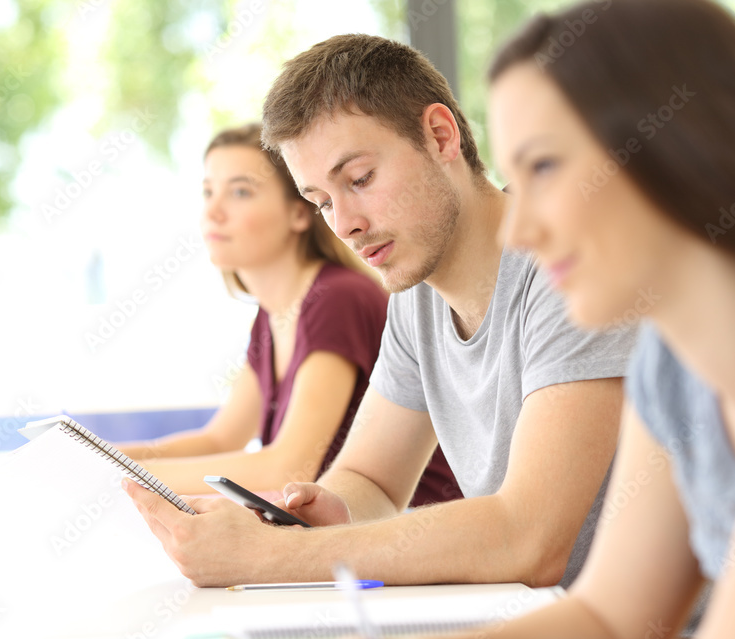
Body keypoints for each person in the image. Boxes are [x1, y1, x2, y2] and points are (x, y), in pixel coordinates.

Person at [323, 0, 735, 639]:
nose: (518, 230)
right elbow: (611, 620)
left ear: (677, 142)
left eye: (545, 168)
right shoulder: (672, 362)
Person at [122, 34, 636, 589]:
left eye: (360, 180)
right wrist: (314, 514)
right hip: (544, 623)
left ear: (440, 136)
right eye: (320, 202)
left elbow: (529, 540)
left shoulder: (566, 265)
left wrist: (267, 558)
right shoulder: (416, 297)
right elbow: (372, 481)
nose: (344, 224)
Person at [117, 123, 460, 505]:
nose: (212, 212)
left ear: (300, 213)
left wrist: (120, 479)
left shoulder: (337, 299)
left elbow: (288, 468)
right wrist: (107, 458)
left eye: (240, 192)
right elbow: (220, 438)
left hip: (405, 541)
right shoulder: (271, 316)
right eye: (208, 192)